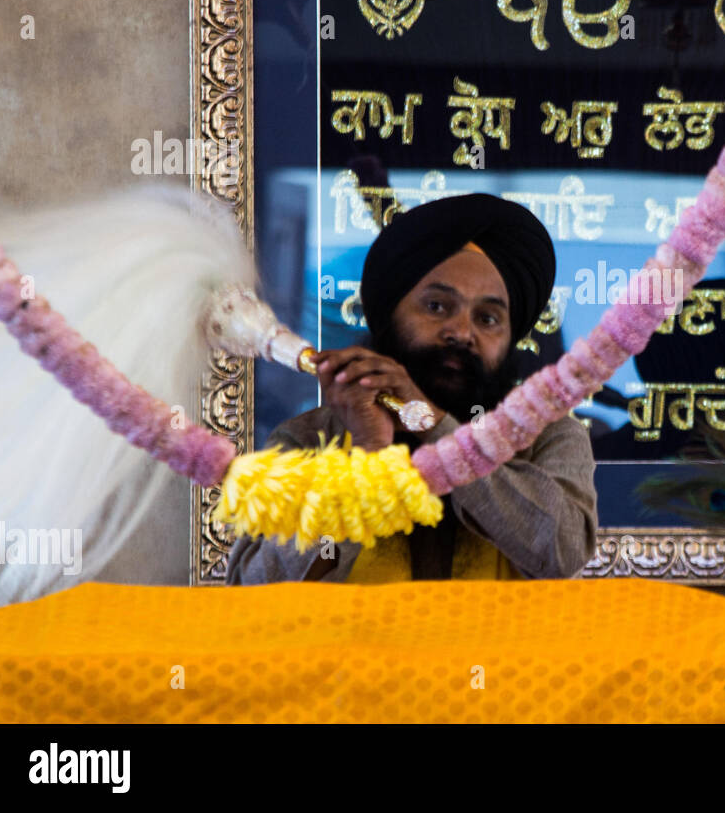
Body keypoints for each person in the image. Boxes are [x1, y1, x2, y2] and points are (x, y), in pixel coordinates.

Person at [225, 193, 597, 583]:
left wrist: (433, 426)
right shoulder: (307, 441)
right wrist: (365, 461)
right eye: (437, 307)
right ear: (388, 317)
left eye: (487, 319)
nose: (462, 332)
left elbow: (561, 552)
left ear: (509, 340)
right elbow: (255, 587)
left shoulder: (549, 436)